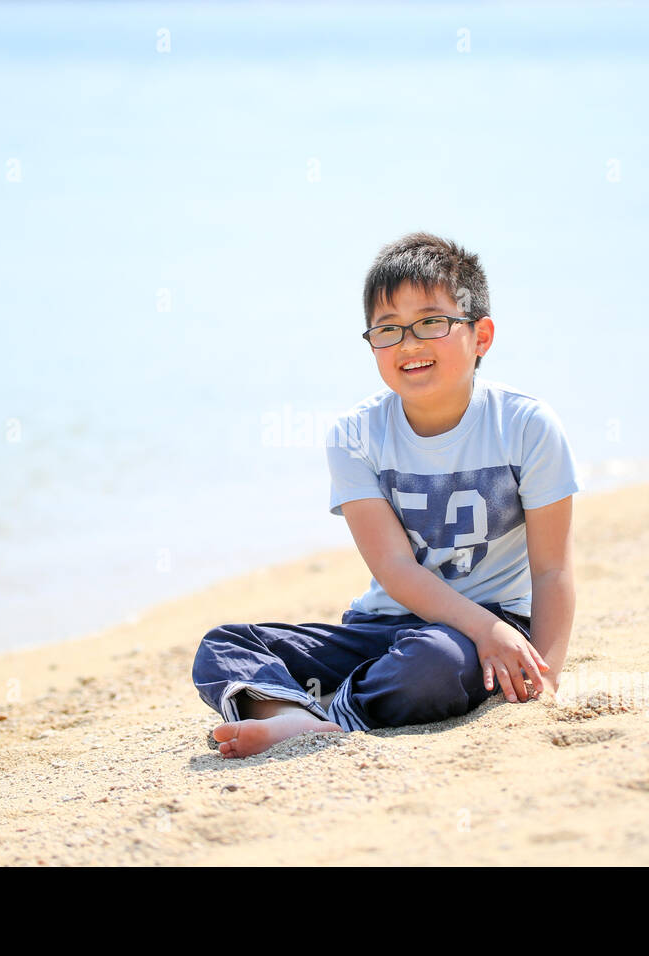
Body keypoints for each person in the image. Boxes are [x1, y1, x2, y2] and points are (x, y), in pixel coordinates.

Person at [192, 231, 581, 759]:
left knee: (434, 666)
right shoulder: (356, 434)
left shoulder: (526, 426)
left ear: (481, 336)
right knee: (223, 645)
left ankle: (326, 716)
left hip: (484, 628)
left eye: (431, 322)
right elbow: (395, 569)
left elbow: (552, 572)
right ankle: (295, 716)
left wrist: (546, 676)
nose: (409, 343)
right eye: (388, 329)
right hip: (384, 626)